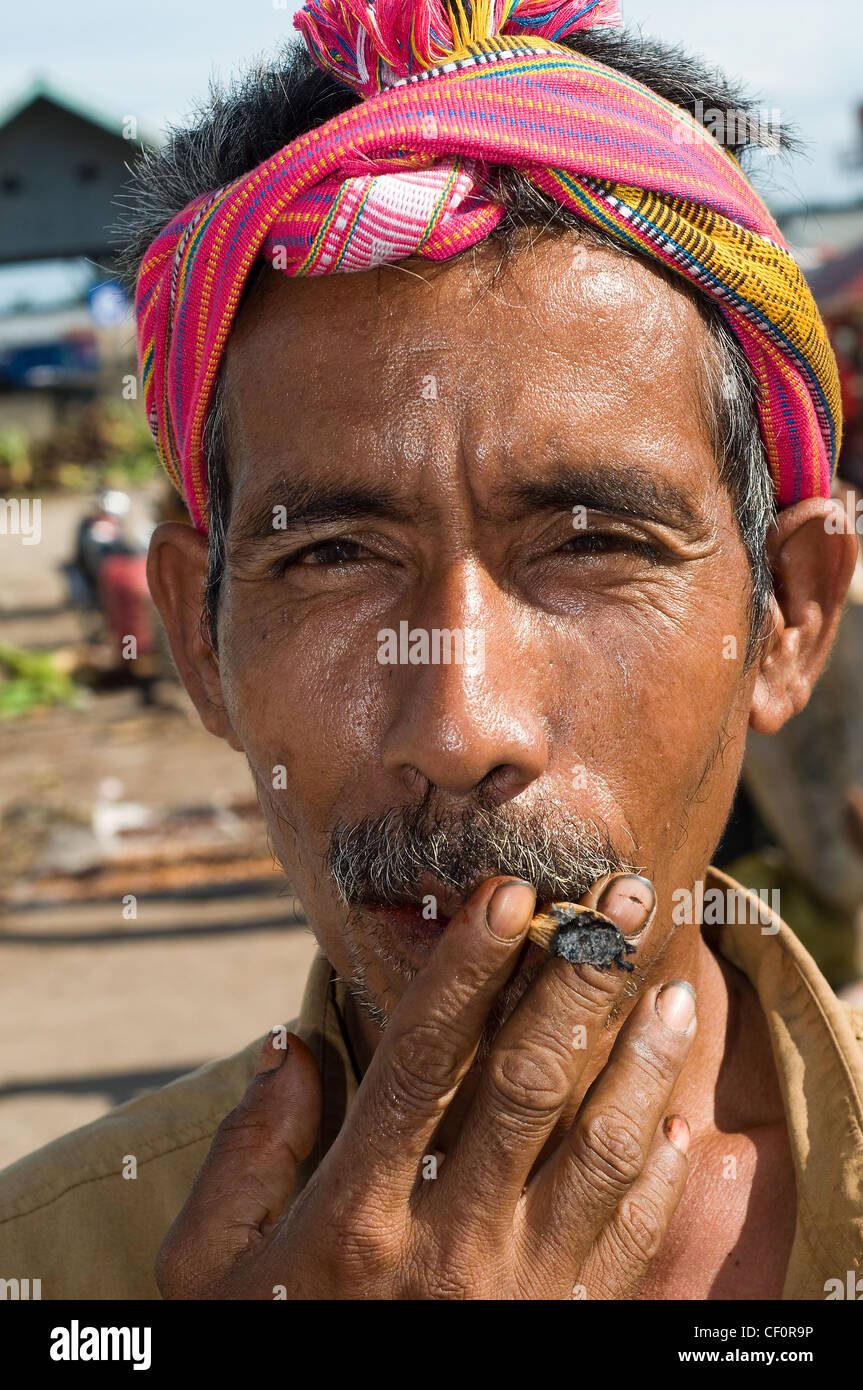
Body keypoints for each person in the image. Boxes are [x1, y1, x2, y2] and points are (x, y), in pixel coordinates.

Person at [2, 0, 862, 1300]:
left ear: (790, 616)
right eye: (334, 556)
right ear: (194, 634)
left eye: (591, 544)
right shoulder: (51, 1265)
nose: (460, 728)